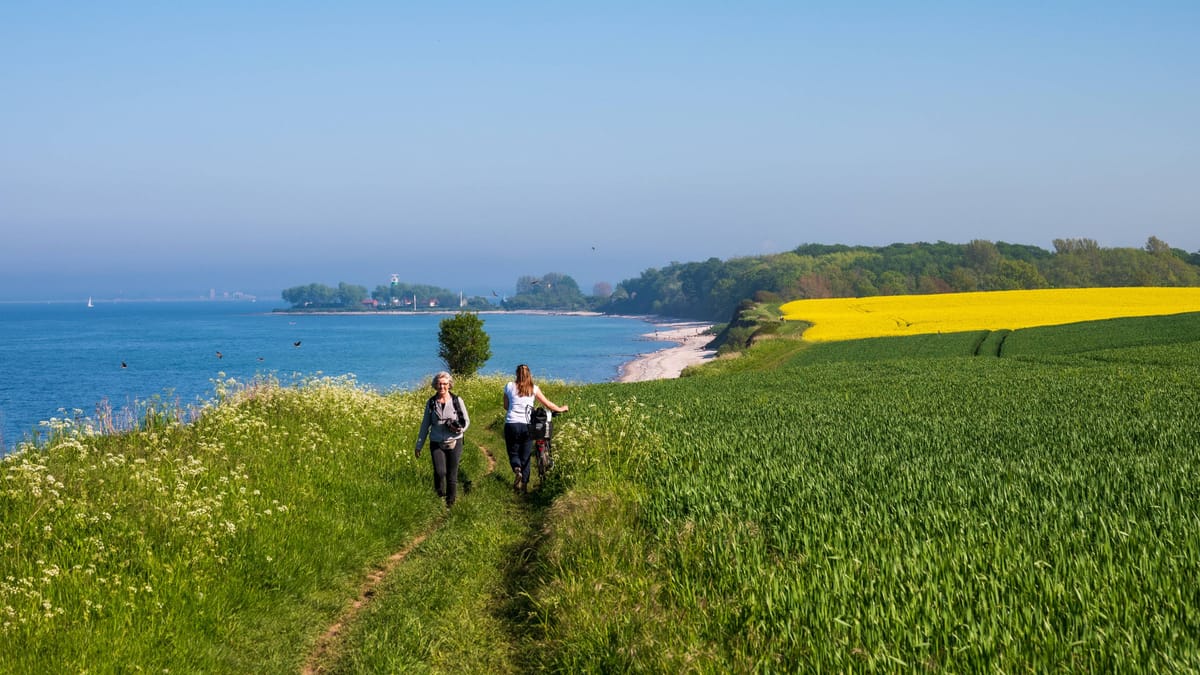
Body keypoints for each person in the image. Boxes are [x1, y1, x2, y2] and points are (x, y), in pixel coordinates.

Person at [503, 364, 568, 492]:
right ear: (529, 374)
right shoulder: (534, 388)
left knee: (513, 452)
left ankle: (517, 470)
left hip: (511, 424)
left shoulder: (509, 386)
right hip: (527, 426)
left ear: (517, 374)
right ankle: (524, 486)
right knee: (526, 456)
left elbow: (506, 406)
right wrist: (561, 408)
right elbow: (547, 403)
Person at [415, 371, 470, 507]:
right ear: (435, 385)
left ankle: (450, 504)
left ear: (449, 385)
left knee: (452, 474)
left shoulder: (457, 401)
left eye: (445, 384)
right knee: (440, 472)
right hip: (436, 442)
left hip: (455, 441)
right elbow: (425, 425)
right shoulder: (431, 402)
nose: (442, 387)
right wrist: (419, 445)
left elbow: (466, 420)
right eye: (439, 384)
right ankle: (439, 495)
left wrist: (459, 429)